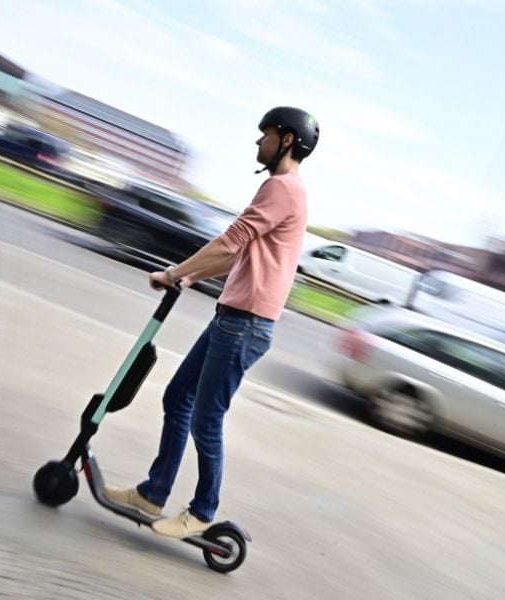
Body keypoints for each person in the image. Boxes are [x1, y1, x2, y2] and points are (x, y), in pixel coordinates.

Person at [103, 107, 320, 538]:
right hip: (232, 318)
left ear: (288, 140)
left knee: (206, 418)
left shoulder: (282, 189)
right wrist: (186, 275)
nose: (258, 142)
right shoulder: (282, 189)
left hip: (245, 323)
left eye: (266, 134)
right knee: (177, 397)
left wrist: (171, 272)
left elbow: (227, 245)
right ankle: (153, 492)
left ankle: (202, 511)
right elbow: (238, 254)